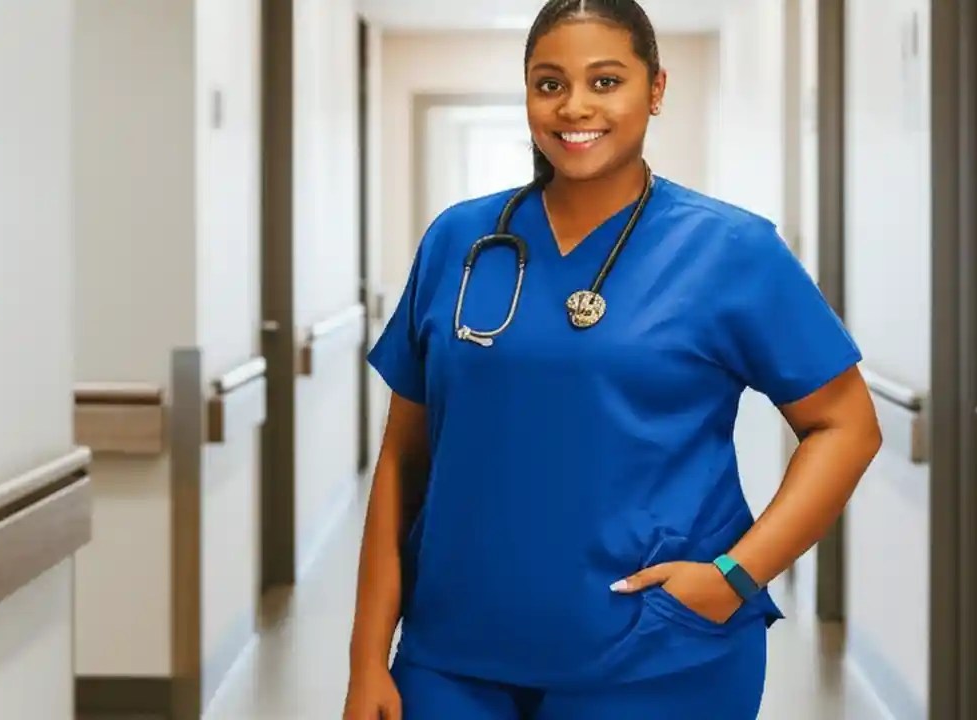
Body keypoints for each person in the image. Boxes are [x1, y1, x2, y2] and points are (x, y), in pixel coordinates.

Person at [344, 1, 881, 717]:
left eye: (605, 81)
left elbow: (847, 425)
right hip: (452, 656)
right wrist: (365, 657)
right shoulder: (461, 243)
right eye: (549, 83)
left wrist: (734, 576)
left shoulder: (730, 251)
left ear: (655, 90)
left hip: (656, 656)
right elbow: (404, 461)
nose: (574, 108)